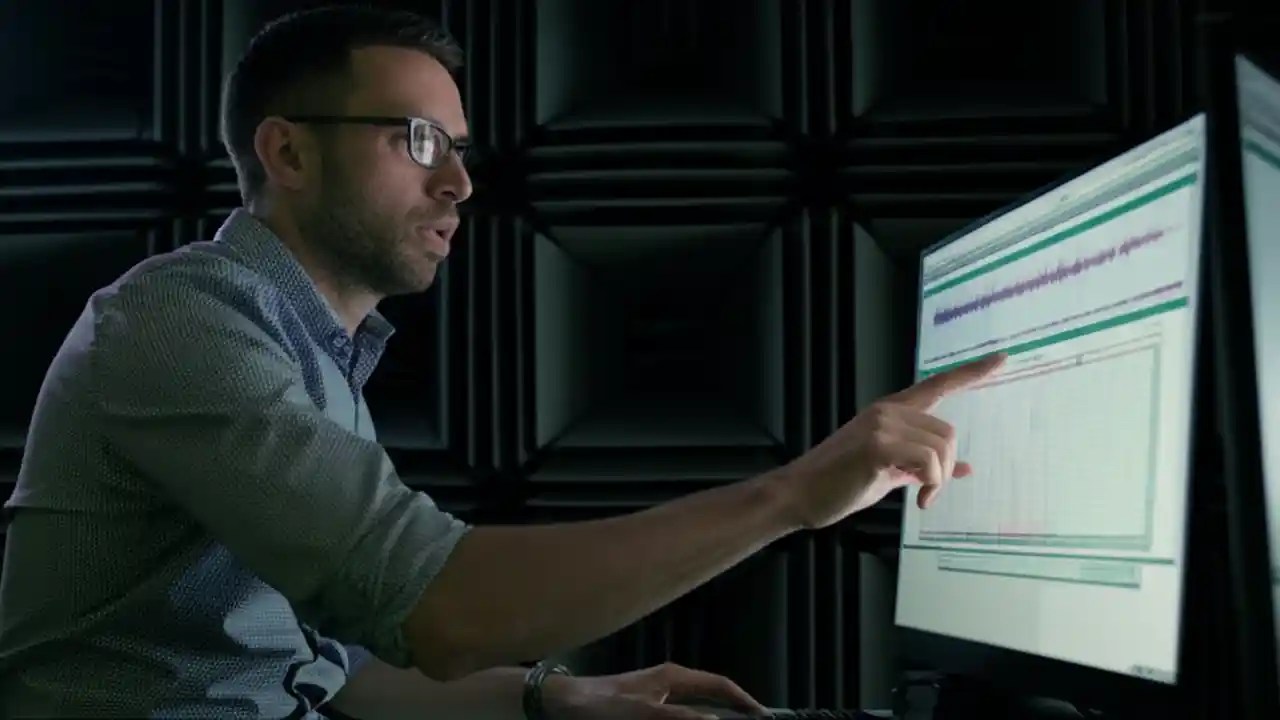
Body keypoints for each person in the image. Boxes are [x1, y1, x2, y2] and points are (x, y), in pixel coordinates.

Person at [0, 5, 1005, 719]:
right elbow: (440, 614)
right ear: (288, 152)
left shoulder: (306, 344)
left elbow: (334, 668)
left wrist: (553, 696)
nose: (461, 184)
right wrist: (792, 495)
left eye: (461, 148)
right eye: (421, 140)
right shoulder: (180, 326)